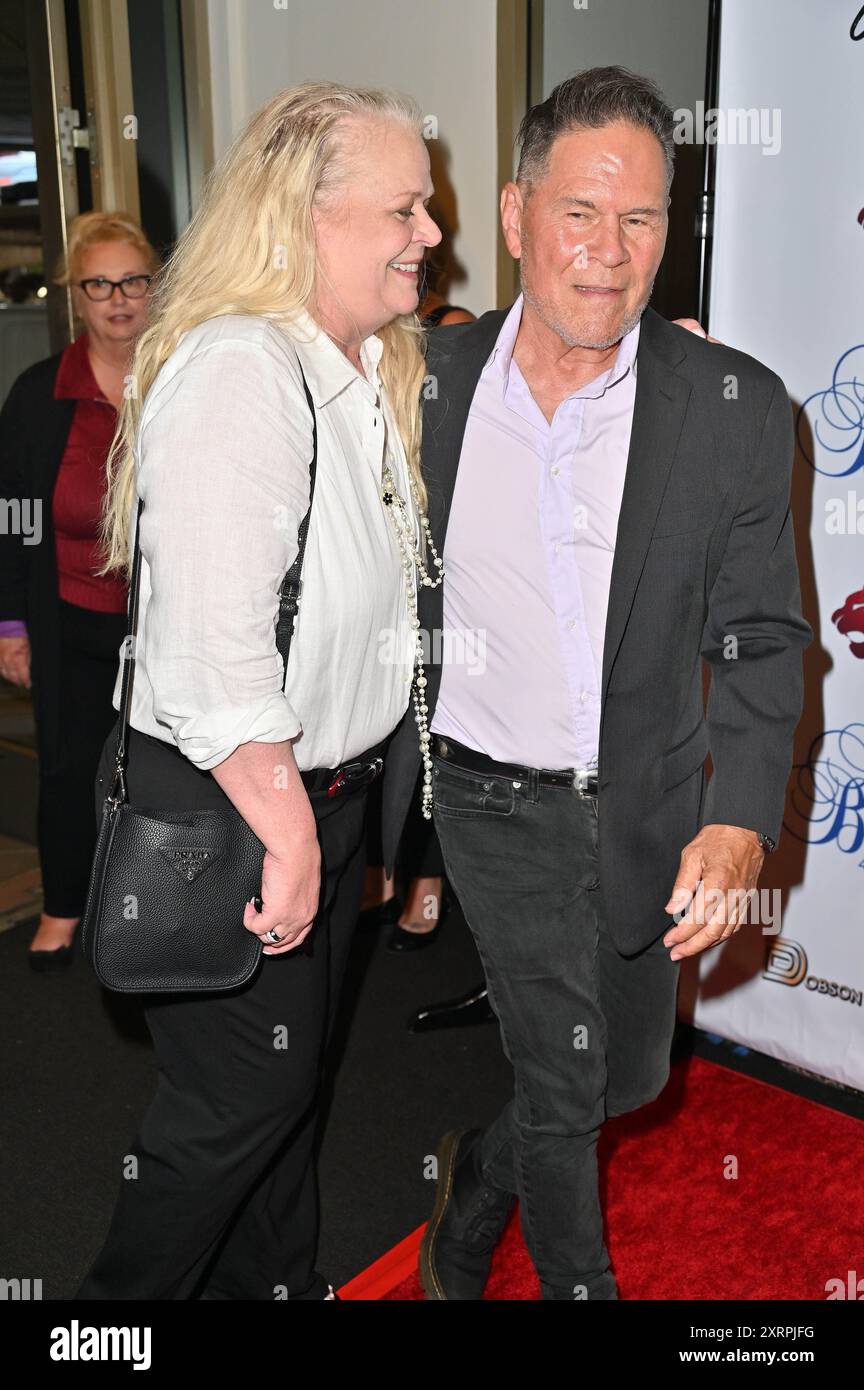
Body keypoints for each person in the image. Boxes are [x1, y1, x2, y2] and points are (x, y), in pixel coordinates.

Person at [382, 66, 812, 1300]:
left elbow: (765, 635)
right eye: (579, 213)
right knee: (572, 1087)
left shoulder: (735, 407)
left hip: (649, 799)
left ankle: (476, 1171)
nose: (609, 255)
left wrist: (735, 823)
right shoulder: (421, 388)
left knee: (629, 1080)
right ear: (516, 214)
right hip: (489, 800)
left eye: (640, 219)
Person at [74, 80, 441, 1301]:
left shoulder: (363, 365)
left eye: (428, 207)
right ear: (309, 217)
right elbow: (212, 656)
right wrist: (291, 831)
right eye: (402, 206)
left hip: (314, 801)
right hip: (236, 804)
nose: (429, 233)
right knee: (239, 1102)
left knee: (285, 1095)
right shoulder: (243, 367)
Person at [0, 211, 157, 971]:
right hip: (65, 618)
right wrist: (9, 625)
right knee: (66, 768)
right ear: (75, 294)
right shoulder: (38, 394)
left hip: (163, 624)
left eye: (134, 280)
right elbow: (13, 515)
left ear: (155, 286)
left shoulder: (185, 377)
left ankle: (155, 904)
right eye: (100, 283)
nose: (118, 298)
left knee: (162, 770)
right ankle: (63, 904)